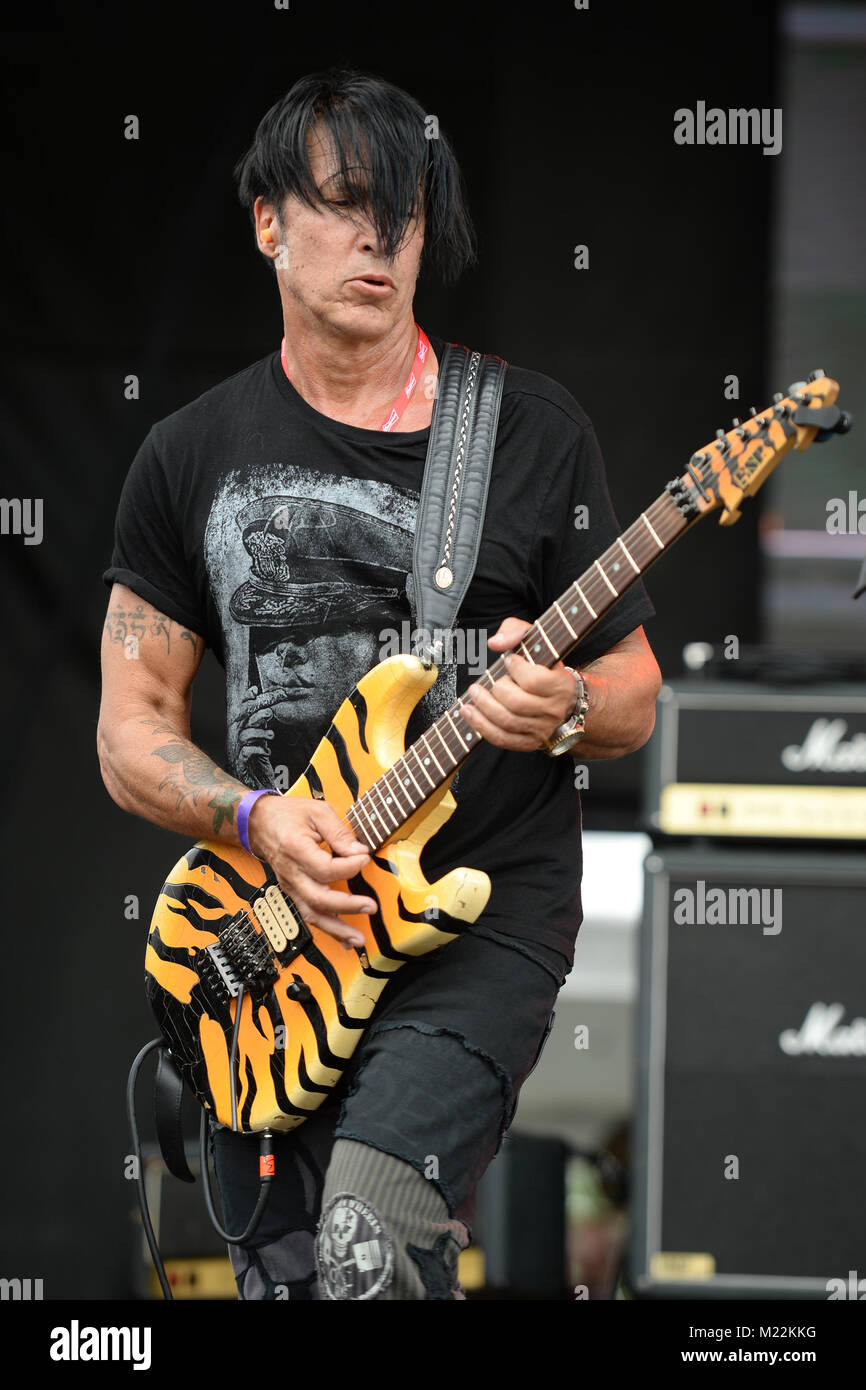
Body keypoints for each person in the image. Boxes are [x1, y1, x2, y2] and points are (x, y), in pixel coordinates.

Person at [98, 68, 661, 1301]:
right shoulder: (185, 455)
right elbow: (130, 730)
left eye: (404, 211)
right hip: (278, 939)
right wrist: (252, 819)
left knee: (369, 1231)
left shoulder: (527, 432)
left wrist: (560, 705)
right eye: (348, 203)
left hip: (476, 920)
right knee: (292, 1276)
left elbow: (631, 691)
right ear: (267, 222)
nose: (380, 238)